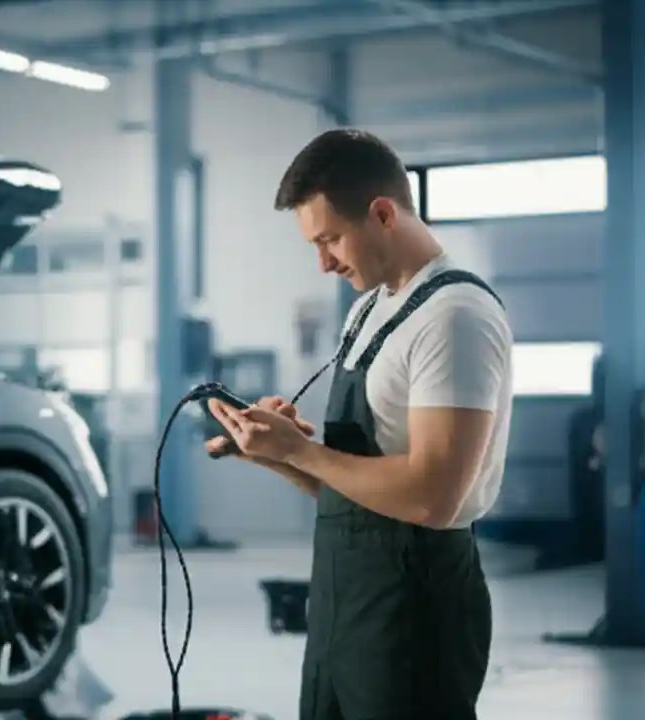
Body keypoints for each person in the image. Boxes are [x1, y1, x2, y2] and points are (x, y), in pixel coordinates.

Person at [206, 128, 513, 720]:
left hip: (414, 606)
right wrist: (273, 451)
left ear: (381, 213)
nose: (322, 263)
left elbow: (433, 498)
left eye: (330, 240)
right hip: (341, 601)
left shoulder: (454, 318)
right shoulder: (368, 309)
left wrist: (303, 451)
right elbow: (353, 487)